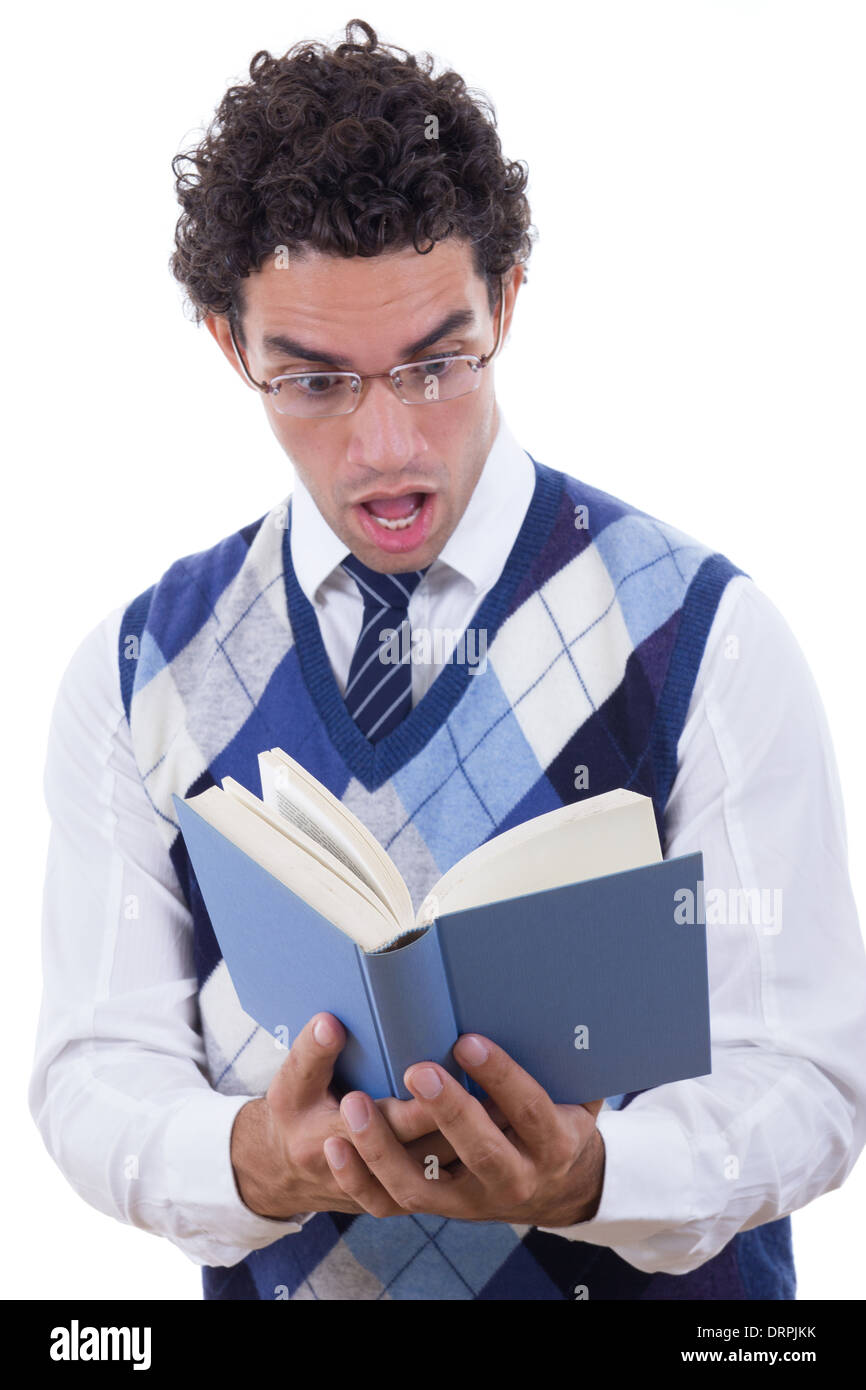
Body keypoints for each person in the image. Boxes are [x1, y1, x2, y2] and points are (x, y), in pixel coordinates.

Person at [29, 18, 866, 1302]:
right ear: (225, 344)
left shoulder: (706, 637)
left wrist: (591, 1175)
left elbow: (806, 1077)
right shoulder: (140, 667)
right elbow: (92, 1069)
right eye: (312, 383)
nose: (383, 447)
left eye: (435, 364)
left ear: (507, 302)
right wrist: (258, 1157)